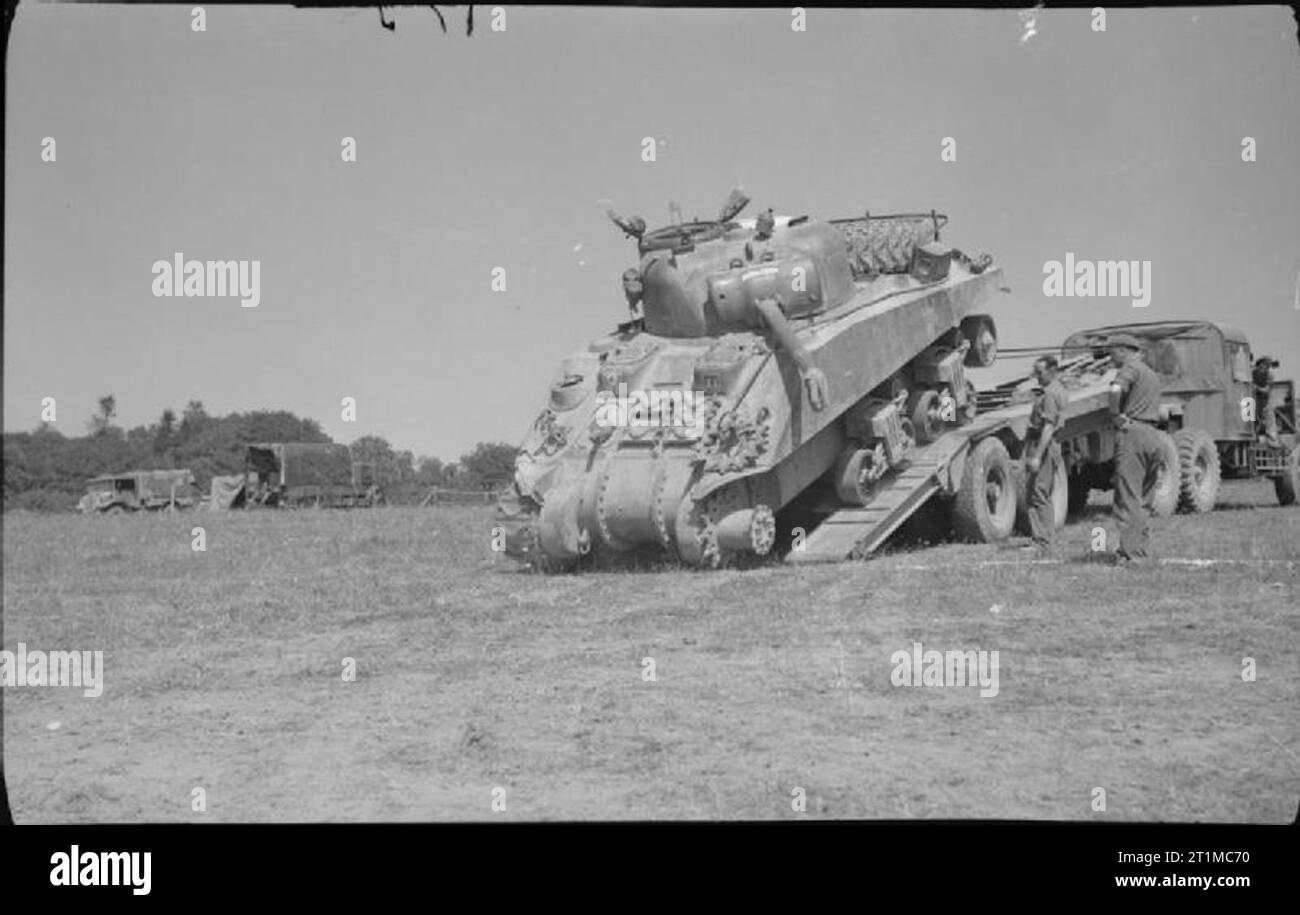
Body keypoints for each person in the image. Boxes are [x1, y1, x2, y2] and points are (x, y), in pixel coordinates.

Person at [1106, 333, 1165, 564]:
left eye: (1113, 351)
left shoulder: (1129, 368)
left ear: (1123, 350)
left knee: (1128, 497)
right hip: (1153, 435)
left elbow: (1114, 391)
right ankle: (1141, 551)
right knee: (1144, 500)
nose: (1110, 356)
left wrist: (1115, 415)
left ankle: (1130, 555)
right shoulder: (1151, 374)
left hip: (1134, 434)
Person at [1021, 355, 1068, 556]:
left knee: (1039, 492)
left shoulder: (1050, 394)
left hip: (1044, 444)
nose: (1036, 377)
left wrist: (1037, 455)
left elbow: (1048, 427)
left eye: (1039, 373)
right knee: (1035, 492)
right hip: (1045, 444)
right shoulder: (1057, 390)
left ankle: (1043, 542)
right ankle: (1039, 538)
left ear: (1051, 371)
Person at [1253, 356, 1281, 446]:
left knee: (1269, 413)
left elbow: (1267, 389)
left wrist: (1256, 388)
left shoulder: (1269, 375)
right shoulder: (1252, 372)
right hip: (1252, 398)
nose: (1265, 368)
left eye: (1267, 366)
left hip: (1263, 399)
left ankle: (1272, 437)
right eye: (1264, 365)